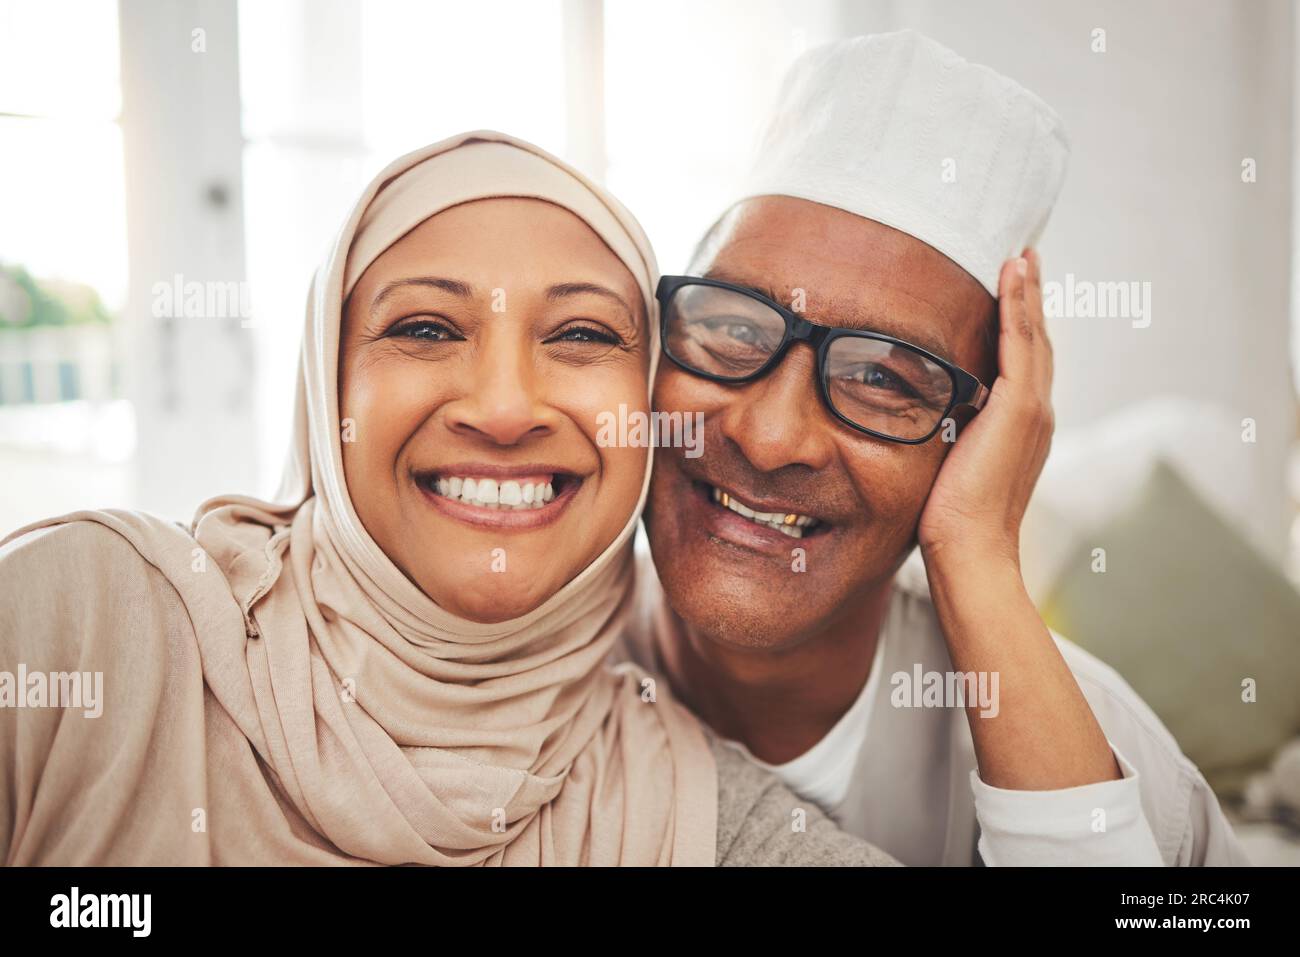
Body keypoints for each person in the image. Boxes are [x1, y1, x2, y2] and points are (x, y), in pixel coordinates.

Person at [0, 131, 895, 867]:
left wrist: (975, 544)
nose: (504, 409)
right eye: (424, 328)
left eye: (581, 334)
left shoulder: (709, 824)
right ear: (326, 387)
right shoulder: (80, 623)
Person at [618, 31, 1249, 866]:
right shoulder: (514, 661)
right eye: (734, 327)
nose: (769, 436)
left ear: (981, 438)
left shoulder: (1097, 760)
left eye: (883, 378)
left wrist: (979, 550)